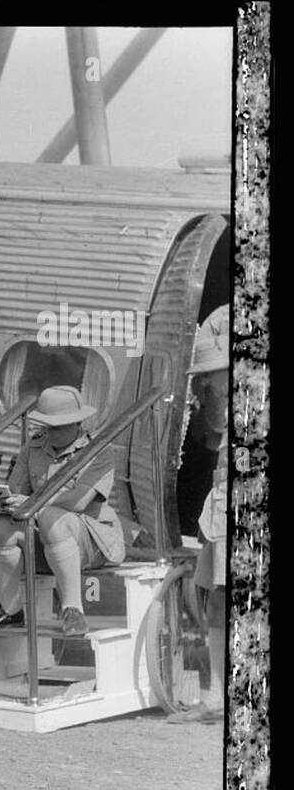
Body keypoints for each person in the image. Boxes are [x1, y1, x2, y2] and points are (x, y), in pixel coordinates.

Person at [0, 384, 126, 637]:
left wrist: (32, 503)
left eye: (59, 427)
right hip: (47, 537)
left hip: (92, 541)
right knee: (1, 528)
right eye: (48, 427)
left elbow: (77, 501)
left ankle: (73, 610)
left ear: (77, 424)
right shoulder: (33, 448)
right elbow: (14, 490)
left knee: (53, 518)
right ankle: (9, 610)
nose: (51, 433)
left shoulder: (99, 452)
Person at [169, 305, 228, 724]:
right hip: (222, 512)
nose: (206, 380)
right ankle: (215, 699)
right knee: (217, 604)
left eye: (212, 370)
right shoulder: (222, 408)